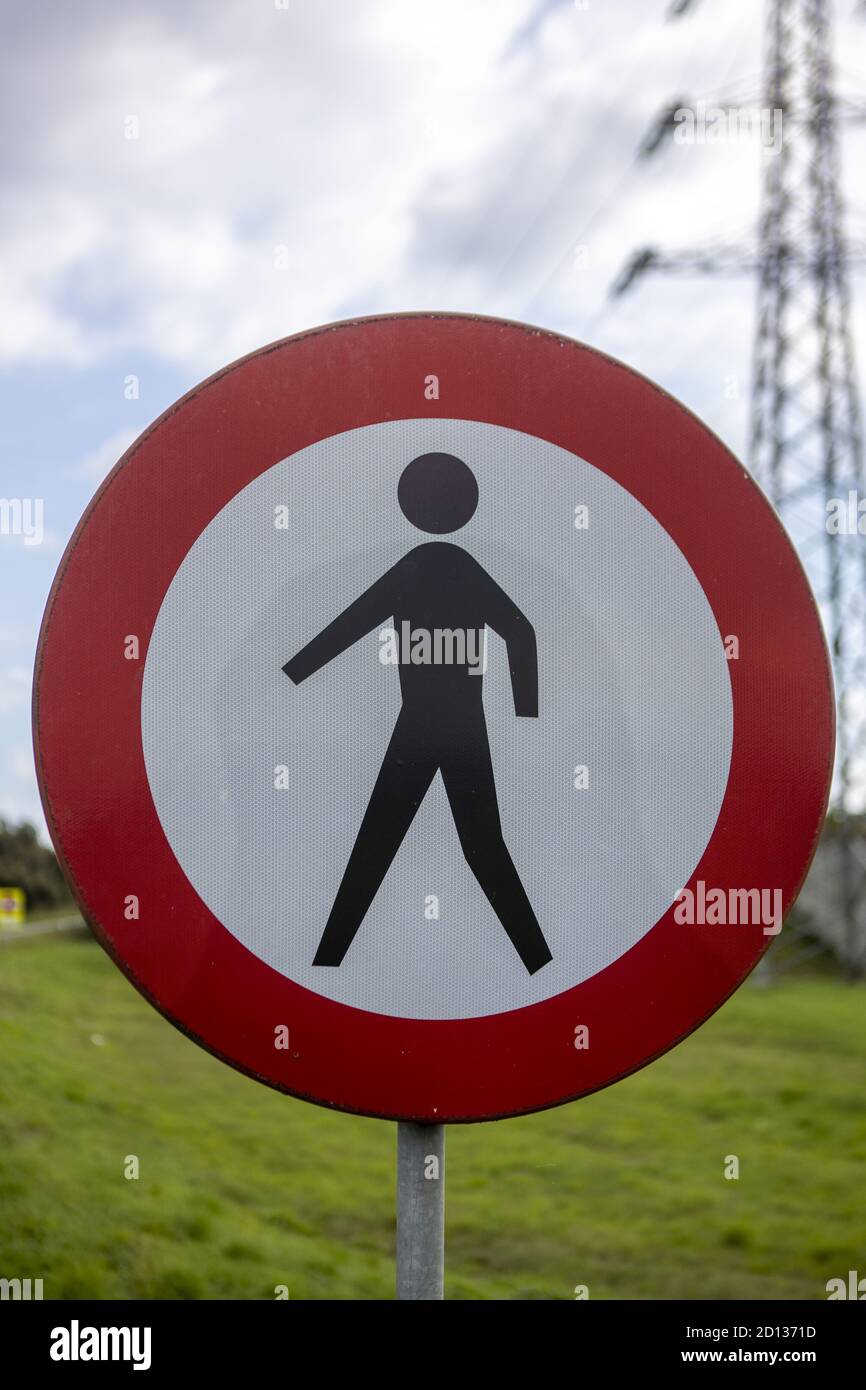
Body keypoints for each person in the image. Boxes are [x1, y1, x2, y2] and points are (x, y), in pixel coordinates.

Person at [283, 451, 552, 975]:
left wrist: (298, 672)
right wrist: (524, 713)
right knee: (476, 845)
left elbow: (352, 623)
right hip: (455, 727)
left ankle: (327, 962)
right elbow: (521, 632)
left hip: (429, 726)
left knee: (382, 841)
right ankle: (539, 964)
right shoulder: (453, 568)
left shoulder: (422, 567)